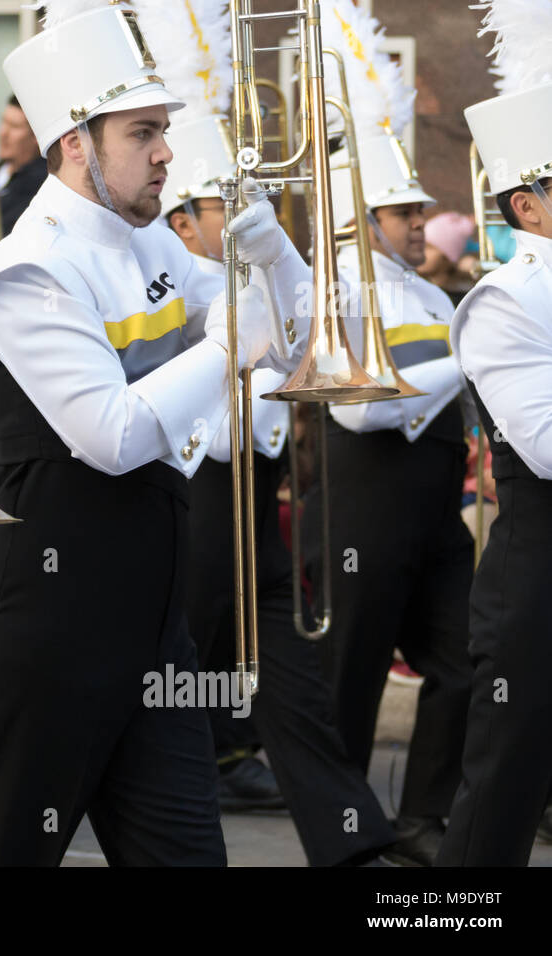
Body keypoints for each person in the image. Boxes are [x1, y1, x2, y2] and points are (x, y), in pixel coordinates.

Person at [0, 1, 315, 865]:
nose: (166, 154)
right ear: (75, 142)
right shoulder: (29, 269)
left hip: (153, 632)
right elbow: (112, 437)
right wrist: (226, 342)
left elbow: (292, 344)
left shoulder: (151, 245)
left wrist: (273, 255)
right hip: (43, 634)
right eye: (142, 132)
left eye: (164, 131)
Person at [160, 88, 398, 862]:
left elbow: (331, 344)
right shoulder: (165, 281)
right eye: (218, 202)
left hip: (253, 508)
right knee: (158, 692)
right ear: (180, 220)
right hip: (185, 505)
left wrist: (277, 253)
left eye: (243, 199)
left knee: (291, 691)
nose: (234, 214)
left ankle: (354, 843)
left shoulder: (259, 269)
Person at [303, 121, 473, 867]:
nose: (419, 224)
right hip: (365, 504)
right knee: (353, 671)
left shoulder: (433, 299)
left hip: (436, 508)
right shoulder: (336, 286)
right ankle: (344, 826)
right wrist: (462, 364)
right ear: (364, 218)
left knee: (468, 660)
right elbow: (362, 406)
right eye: (404, 213)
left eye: (418, 212)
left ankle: (422, 817)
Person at [437, 70, 552, 866]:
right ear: (528, 204)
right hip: (541, 581)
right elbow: (546, 444)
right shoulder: (507, 299)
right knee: (502, 799)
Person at [0, 96, 48, 243]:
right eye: (3, 122)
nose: (3, 133)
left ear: (36, 136)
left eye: (14, 127)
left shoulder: (38, 184)